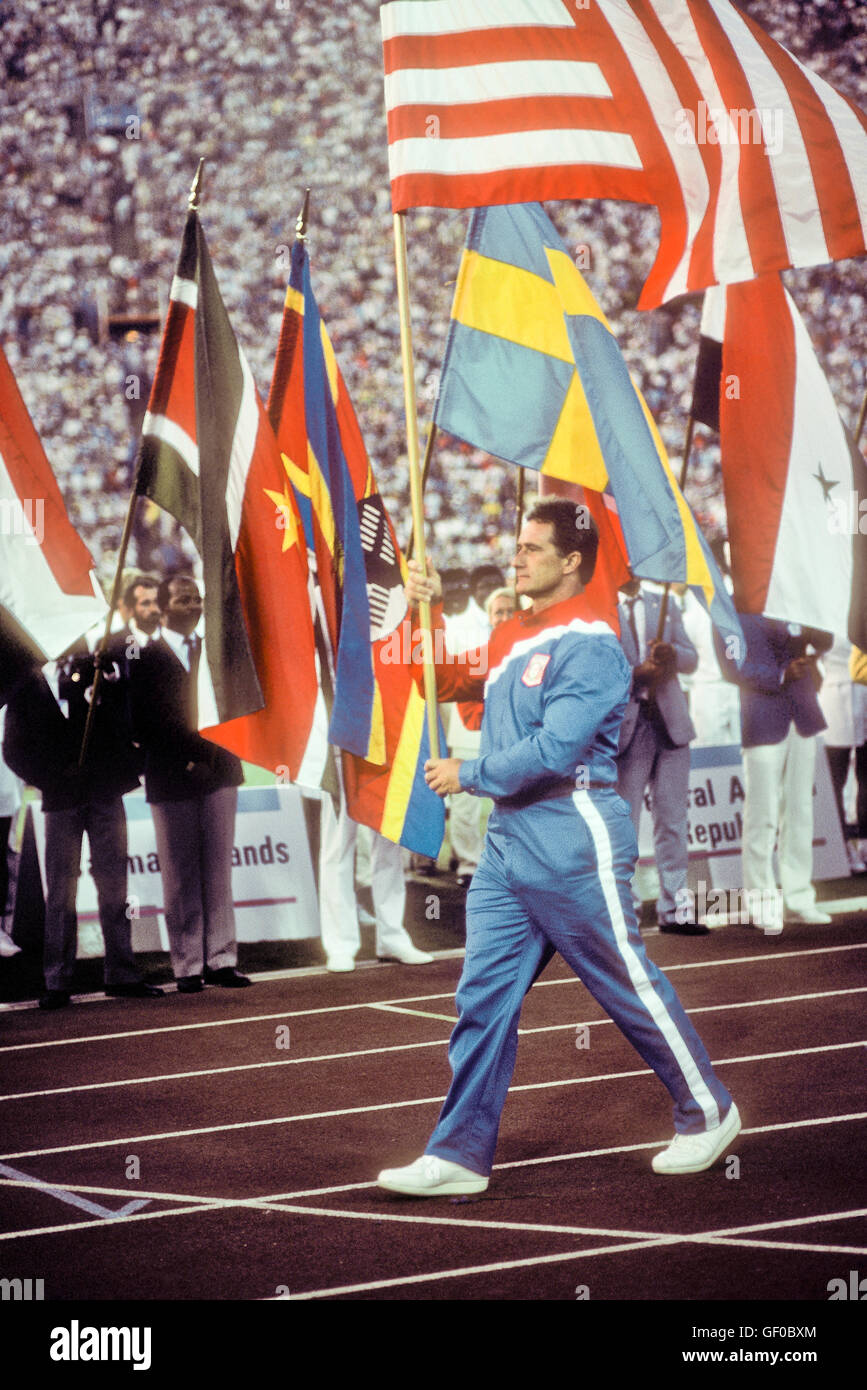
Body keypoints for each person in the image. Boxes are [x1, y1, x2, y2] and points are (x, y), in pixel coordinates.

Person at [376, 499, 739, 1197]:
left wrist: (469, 774)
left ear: (570, 561)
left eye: (531, 549)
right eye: (516, 547)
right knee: (480, 998)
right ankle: (458, 1151)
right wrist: (418, 612)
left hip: (572, 834)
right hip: (509, 845)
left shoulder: (594, 644)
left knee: (624, 984)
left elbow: (555, 748)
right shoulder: (512, 632)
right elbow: (443, 678)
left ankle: (709, 1109)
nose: (516, 558)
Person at [2, 651, 163, 1008]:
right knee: (61, 889)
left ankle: (122, 972)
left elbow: (125, 722)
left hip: (104, 792)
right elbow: (13, 748)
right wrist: (50, 779)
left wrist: (108, 683)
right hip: (61, 799)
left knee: (114, 885)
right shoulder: (27, 681)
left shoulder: (95, 669)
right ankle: (57, 981)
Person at [129, 573, 250, 992]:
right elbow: (143, 722)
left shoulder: (216, 652)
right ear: (163, 607)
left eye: (197, 598)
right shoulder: (142, 658)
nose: (194, 605)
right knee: (180, 876)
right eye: (183, 600)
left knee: (218, 871)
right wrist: (186, 760)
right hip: (171, 777)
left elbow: (233, 708)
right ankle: (187, 965)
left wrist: (209, 757)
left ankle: (222, 958)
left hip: (220, 772)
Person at [716, 614, 834, 933]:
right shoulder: (728, 612)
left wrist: (814, 606)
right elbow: (732, 668)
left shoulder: (791, 600)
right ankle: (761, 903)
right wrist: (781, 674)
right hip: (763, 718)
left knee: (800, 811)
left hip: (803, 713)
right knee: (762, 815)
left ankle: (798, 898)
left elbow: (825, 639)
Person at [616, 579, 703, 935]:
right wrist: (635, 674)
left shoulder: (661, 601)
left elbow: (692, 659)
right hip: (626, 729)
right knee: (625, 825)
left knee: (673, 820)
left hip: (671, 726)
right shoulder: (602, 611)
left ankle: (676, 908)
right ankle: (626, 910)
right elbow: (595, 673)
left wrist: (671, 655)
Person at [318, 802, 434, 972]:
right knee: (337, 844)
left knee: (389, 841)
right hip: (340, 775)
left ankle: (392, 937)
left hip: (384, 774)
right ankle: (339, 945)